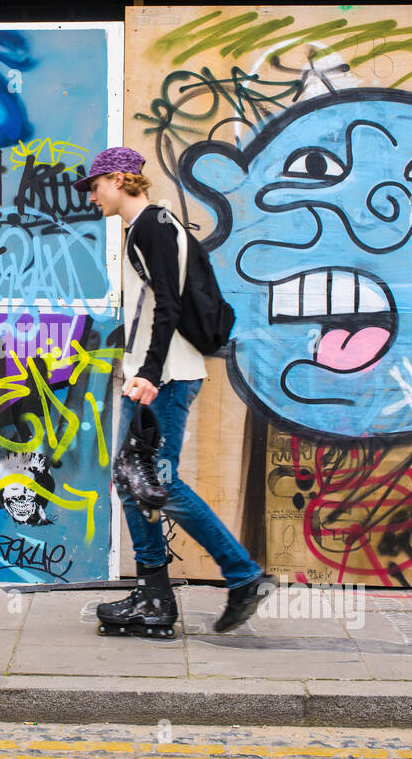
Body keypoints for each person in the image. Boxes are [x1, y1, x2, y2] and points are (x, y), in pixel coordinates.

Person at [73, 147, 274, 634]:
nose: (92, 196)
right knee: (132, 481)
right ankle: (154, 596)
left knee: (157, 482)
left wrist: (148, 373)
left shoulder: (153, 228)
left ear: (119, 181)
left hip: (163, 379)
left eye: (95, 186)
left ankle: (242, 575)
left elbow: (166, 305)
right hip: (154, 375)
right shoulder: (146, 228)